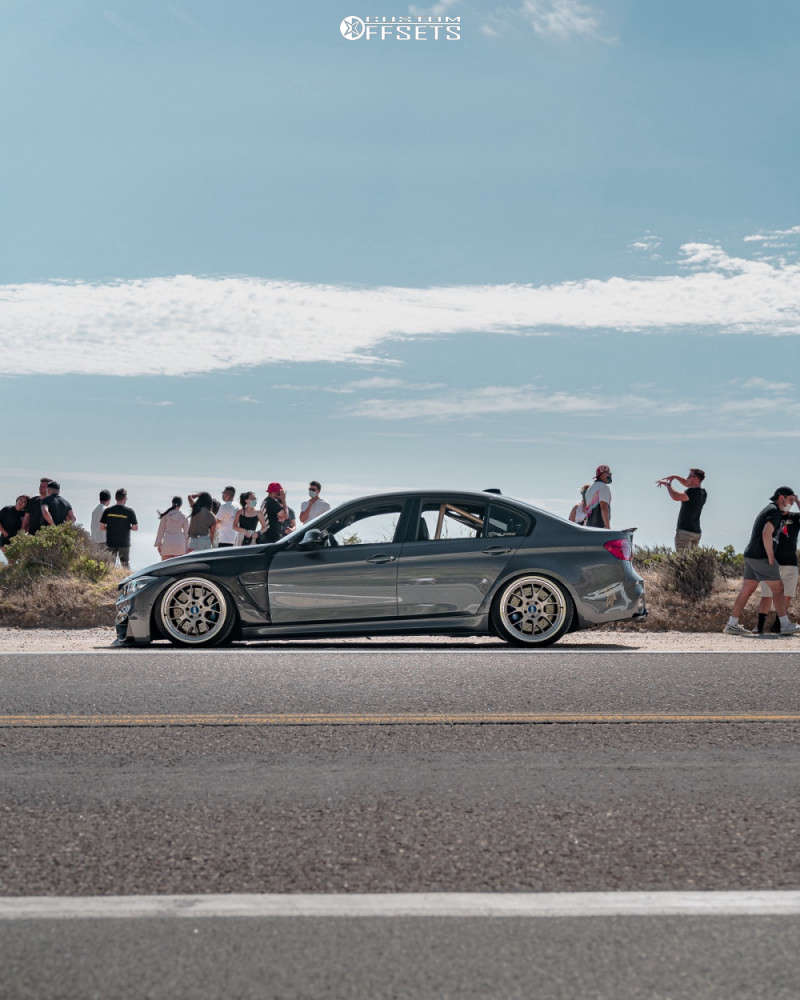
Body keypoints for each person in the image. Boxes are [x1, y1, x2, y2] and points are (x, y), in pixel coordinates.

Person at [724, 487, 800, 637]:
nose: (791, 503)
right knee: (778, 589)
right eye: (790, 500)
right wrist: (770, 556)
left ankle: (731, 624)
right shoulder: (774, 512)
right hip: (760, 556)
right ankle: (785, 625)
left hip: (750, 555)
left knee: (747, 589)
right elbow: (766, 533)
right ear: (781, 498)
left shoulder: (769, 509)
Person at [755, 495, 800, 635]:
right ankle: (759, 627)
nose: (789, 503)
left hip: (791, 563)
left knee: (787, 596)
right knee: (766, 595)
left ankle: (778, 626)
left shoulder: (795, 517)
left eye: (791, 501)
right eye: (787, 500)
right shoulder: (773, 515)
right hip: (772, 562)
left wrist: (798, 501)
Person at [657, 469, 707, 550]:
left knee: (682, 561)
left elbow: (675, 496)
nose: (687, 478)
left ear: (696, 478)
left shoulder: (691, 492)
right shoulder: (703, 493)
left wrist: (668, 485)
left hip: (685, 532)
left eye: (690, 476)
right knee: (692, 560)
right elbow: (686, 483)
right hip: (696, 532)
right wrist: (675, 477)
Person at [100, 488, 138, 568]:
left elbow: (102, 527)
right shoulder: (129, 511)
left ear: (115, 498)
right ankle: (128, 580)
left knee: (109, 565)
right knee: (125, 565)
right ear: (124, 498)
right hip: (124, 543)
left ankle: (109, 580)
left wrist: (110, 528)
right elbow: (135, 527)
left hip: (111, 542)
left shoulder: (108, 511)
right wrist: (127, 527)